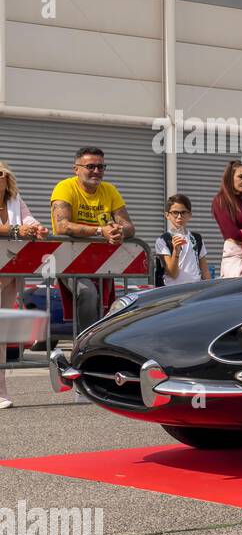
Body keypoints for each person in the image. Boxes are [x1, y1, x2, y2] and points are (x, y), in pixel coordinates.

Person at [50, 146, 135, 332]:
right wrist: (99, 231)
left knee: (108, 304)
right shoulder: (64, 187)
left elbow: (129, 226)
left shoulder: (110, 190)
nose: (96, 171)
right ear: (76, 169)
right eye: (90, 166)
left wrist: (119, 231)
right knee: (87, 293)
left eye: (101, 167)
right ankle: (85, 345)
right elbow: (62, 226)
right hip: (68, 260)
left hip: (101, 263)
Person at [1, 161, 50, 409]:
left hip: (10, 272)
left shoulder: (15, 200)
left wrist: (36, 228)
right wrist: (18, 230)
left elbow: (28, 219)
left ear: (6, 178)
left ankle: (0, 390)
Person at [154, 195, 211, 286]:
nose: (179, 217)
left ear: (190, 215)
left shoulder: (197, 238)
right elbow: (173, 274)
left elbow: (205, 270)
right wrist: (176, 252)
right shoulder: (163, 240)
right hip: (174, 291)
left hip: (196, 288)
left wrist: (209, 288)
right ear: (167, 215)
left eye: (183, 212)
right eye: (175, 212)